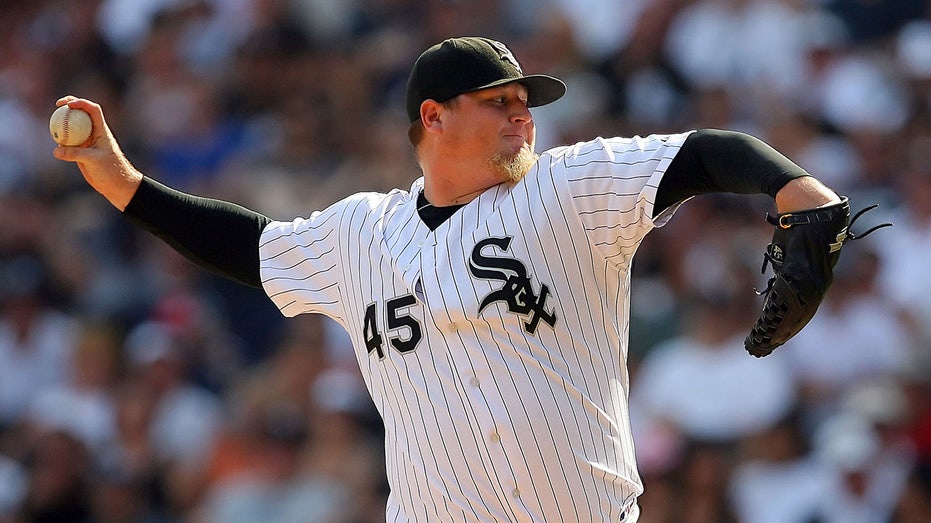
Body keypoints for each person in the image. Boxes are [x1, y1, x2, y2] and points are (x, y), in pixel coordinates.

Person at [53, 36, 842, 522]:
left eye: (523, 104)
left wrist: (800, 193)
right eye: (497, 102)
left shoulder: (563, 189)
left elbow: (705, 152)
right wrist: (121, 178)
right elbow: (245, 245)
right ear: (433, 118)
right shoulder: (358, 230)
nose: (521, 116)